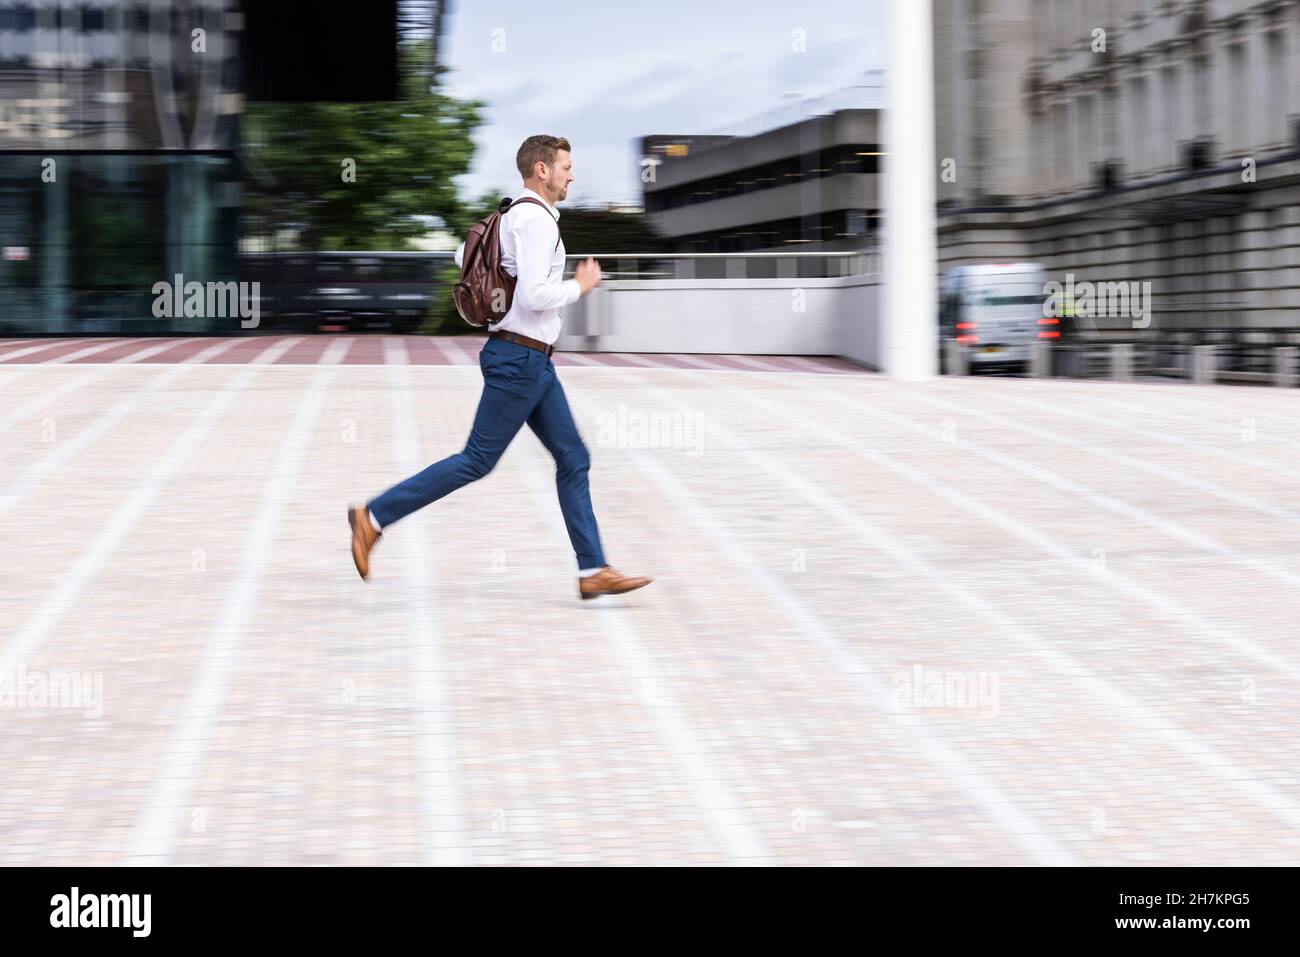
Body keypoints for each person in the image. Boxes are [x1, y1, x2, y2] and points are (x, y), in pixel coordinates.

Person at [349, 134, 652, 600]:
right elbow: (533, 295)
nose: (572, 175)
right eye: (566, 166)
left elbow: (462, 257)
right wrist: (580, 286)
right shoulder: (536, 222)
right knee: (476, 460)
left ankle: (593, 569)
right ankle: (372, 518)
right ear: (542, 171)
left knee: (573, 457)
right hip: (521, 359)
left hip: (529, 359)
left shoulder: (508, 216)